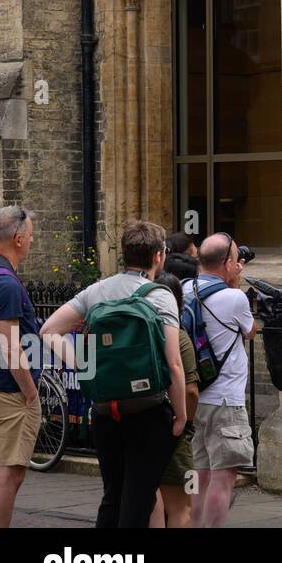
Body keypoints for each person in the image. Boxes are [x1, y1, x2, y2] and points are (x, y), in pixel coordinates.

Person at [41, 220, 187, 528]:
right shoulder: (161, 296)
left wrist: (84, 363)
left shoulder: (97, 291)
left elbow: (49, 330)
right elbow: (173, 363)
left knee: (112, 497)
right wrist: (181, 416)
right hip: (148, 410)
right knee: (139, 499)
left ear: (124, 254)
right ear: (159, 256)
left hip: (106, 413)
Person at [186, 233, 258, 528]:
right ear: (228, 262)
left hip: (193, 394)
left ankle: (190, 523)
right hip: (225, 398)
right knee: (225, 474)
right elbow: (250, 331)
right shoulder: (234, 297)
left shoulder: (182, 290)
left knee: (198, 471)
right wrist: (235, 284)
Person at [0, 205, 39, 528]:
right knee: (10, 475)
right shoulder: (6, 284)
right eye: (32, 236)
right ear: (19, 239)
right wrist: (31, 392)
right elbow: (10, 346)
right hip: (10, 394)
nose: (33, 242)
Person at [149, 272, 199, 528]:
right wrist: (186, 421)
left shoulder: (142, 334)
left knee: (152, 501)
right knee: (183, 507)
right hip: (174, 431)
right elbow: (191, 391)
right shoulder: (179, 338)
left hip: (143, 423)